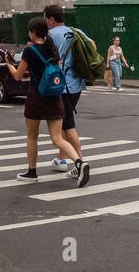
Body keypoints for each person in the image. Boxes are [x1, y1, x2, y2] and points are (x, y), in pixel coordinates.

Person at [10, 17, 85, 183]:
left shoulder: (29, 51)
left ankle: (31, 173)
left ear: (33, 32)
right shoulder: (53, 49)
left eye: (29, 31)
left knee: (32, 137)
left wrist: (9, 66)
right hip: (55, 96)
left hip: (36, 97)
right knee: (57, 138)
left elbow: (18, 76)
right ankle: (79, 162)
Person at [44, 4, 91, 186]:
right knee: (63, 123)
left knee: (67, 125)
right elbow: (92, 45)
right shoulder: (75, 31)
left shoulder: (51, 36)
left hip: (59, 86)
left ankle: (80, 162)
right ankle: (60, 159)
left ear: (50, 19)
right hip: (76, 84)